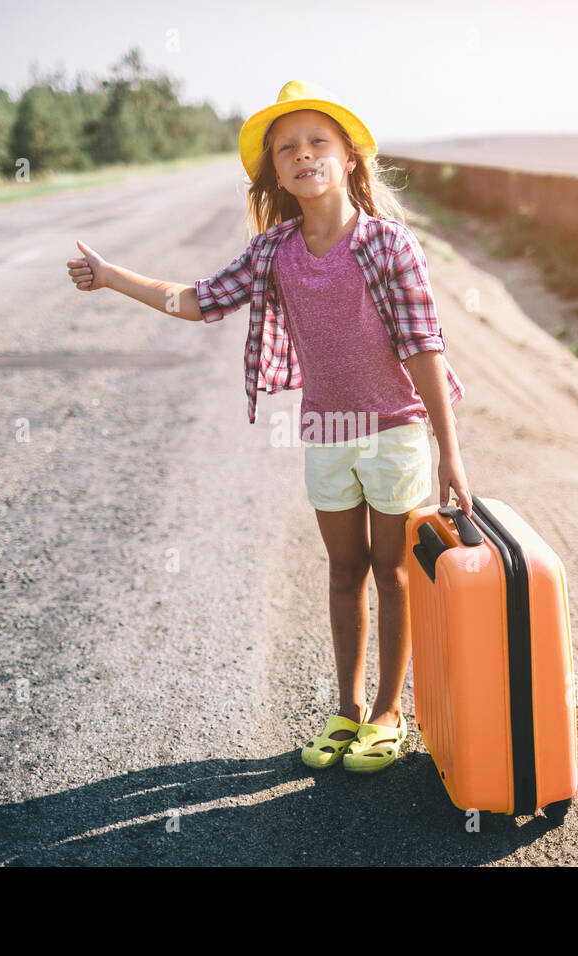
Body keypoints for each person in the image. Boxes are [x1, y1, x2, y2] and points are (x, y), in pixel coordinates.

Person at [66, 79, 471, 774]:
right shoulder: (274, 251)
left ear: (348, 159)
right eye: (287, 148)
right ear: (275, 172)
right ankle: (347, 709)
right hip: (327, 434)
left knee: (391, 572)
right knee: (344, 571)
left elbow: (423, 346)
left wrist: (448, 454)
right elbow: (197, 300)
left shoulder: (386, 244)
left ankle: (387, 713)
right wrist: (110, 278)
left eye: (319, 142)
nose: (303, 154)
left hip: (396, 431)